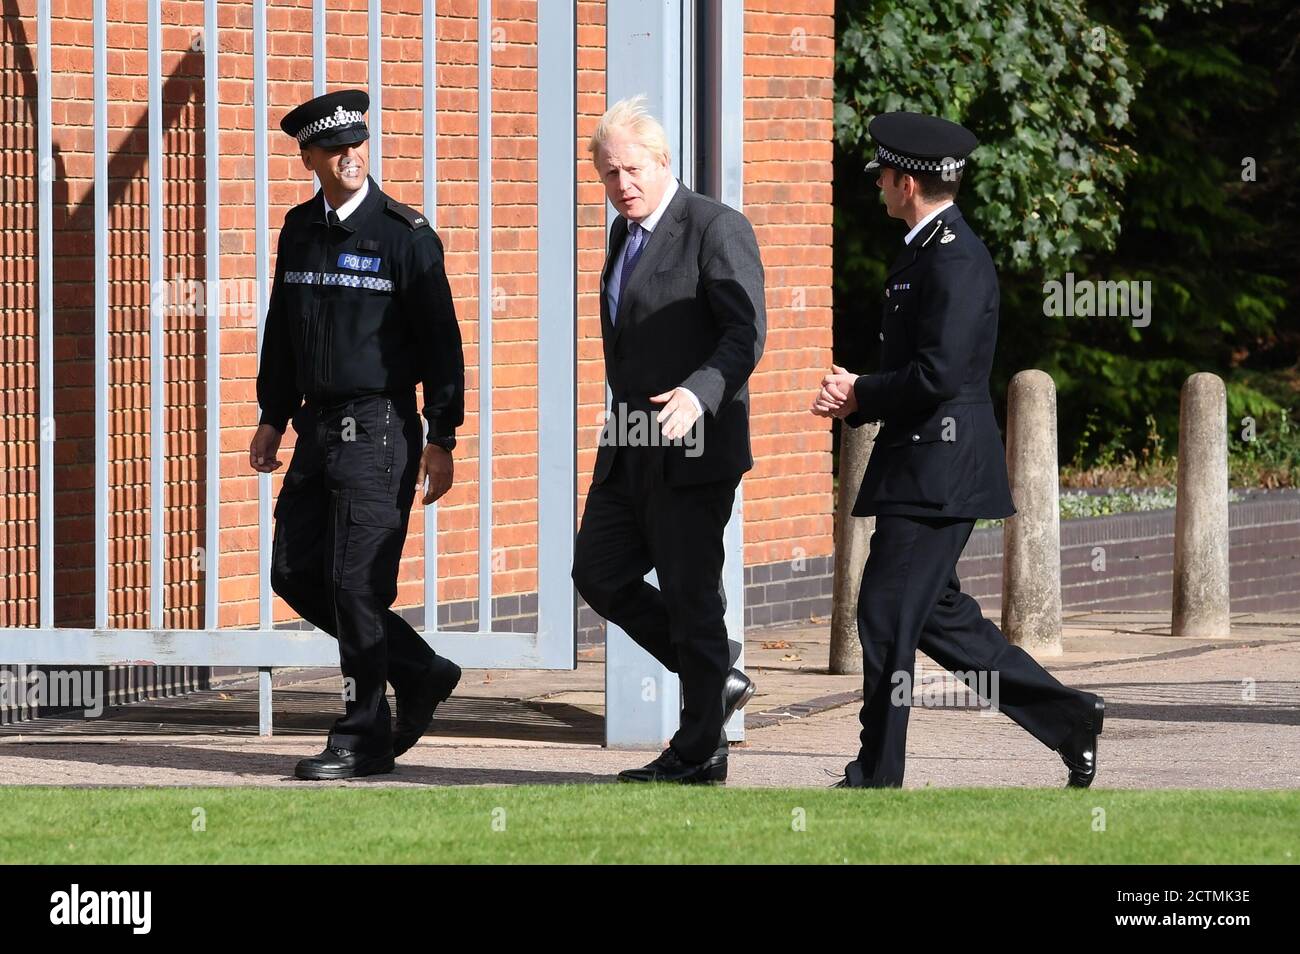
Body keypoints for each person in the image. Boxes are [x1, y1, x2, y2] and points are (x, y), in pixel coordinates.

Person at [811, 111, 1104, 789]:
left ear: (905, 182)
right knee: (940, 622)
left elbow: (939, 374)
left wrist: (860, 393)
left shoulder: (953, 256)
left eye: (883, 176)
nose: (878, 187)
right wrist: (863, 397)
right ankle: (1069, 718)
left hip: (939, 472)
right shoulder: (926, 247)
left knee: (885, 612)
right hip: (922, 466)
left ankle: (876, 774)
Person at [249, 89, 465, 780]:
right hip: (318, 427)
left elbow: (443, 344)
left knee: (356, 583)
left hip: (379, 429)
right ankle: (419, 669)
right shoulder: (298, 230)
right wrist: (273, 414)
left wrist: (443, 435)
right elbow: (283, 331)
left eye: (357, 144)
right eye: (333, 148)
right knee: (293, 570)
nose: (349, 157)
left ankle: (364, 734)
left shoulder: (405, 234)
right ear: (308, 157)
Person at [571, 96, 766, 784]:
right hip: (627, 447)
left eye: (632, 169)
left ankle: (697, 752)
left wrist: (700, 390)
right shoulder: (625, 237)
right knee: (596, 572)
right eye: (608, 174)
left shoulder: (715, 228)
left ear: (663, 161)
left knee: (689, 594)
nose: (622, 184)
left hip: (694, 448)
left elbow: (744, 334)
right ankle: (715, 672)